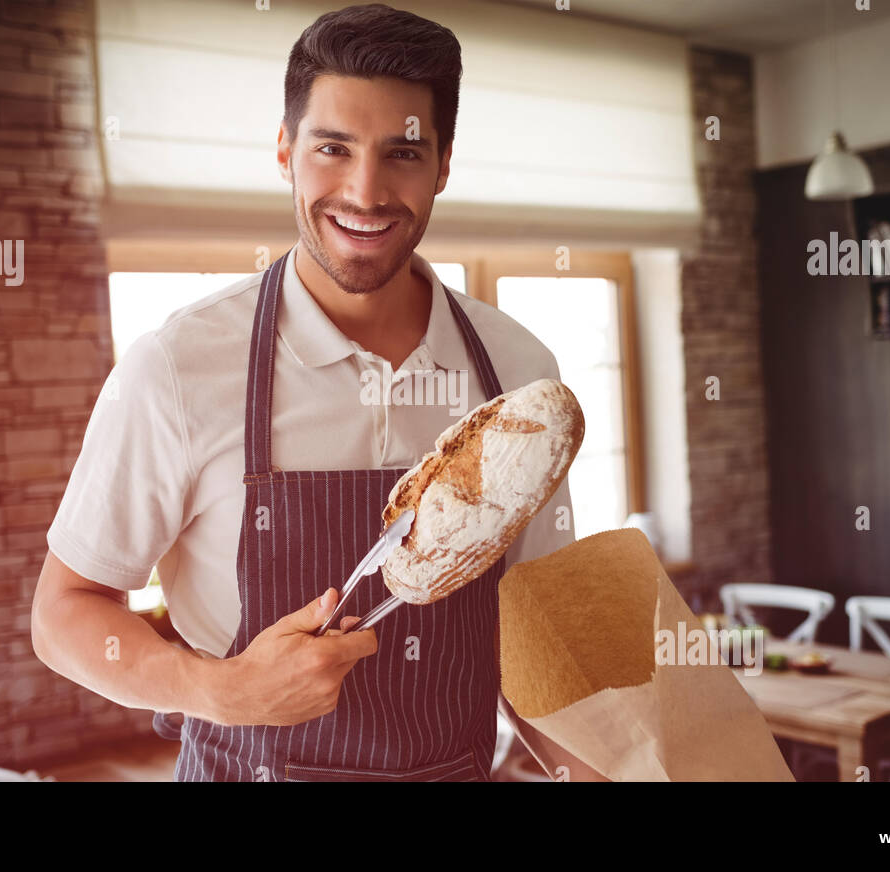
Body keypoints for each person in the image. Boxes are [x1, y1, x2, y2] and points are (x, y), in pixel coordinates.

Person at [32, 2, 583, 781]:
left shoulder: (518, 370)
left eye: (403, 153)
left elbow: (539, 639)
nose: (366, 192)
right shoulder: (180, 368)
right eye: (333, 148)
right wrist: (219, 690)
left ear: (444, 165)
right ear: (286, 150)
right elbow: (62, 615)